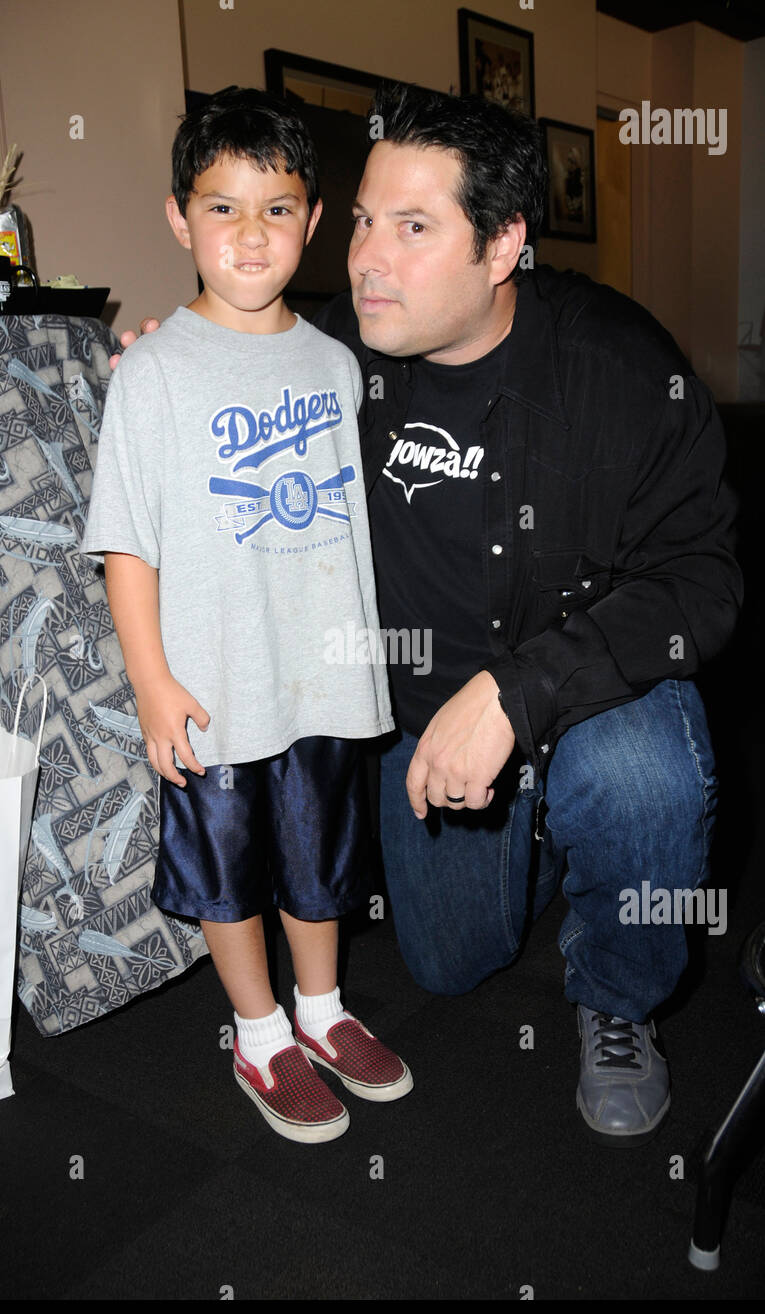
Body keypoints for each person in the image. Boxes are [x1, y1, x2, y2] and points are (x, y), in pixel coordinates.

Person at [121, 82, 741, 1147]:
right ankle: (545, 841)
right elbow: (217, 392)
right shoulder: (326, 359)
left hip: (583, 692)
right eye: (363, 218)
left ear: (500, 246)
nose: (366, 258)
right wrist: (167, 363)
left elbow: (702, 579)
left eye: (413, 229)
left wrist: (520, 690)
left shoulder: (621, 369)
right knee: (450, 966)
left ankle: (617, 997)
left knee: (636, 775)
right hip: (415, 729)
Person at [81, 86, 412, 1146]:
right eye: (221, 207)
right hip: (214, 686)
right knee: (229, 871)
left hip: (322, 678)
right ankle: (257, 1028)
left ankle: (320, 1011)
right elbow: (126, 541)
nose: (250, 232)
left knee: (320, 863)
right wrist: (151, 681)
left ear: (313, 222)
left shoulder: (336, 361)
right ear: (179, 219)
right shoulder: (154, 373)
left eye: (276, 208)